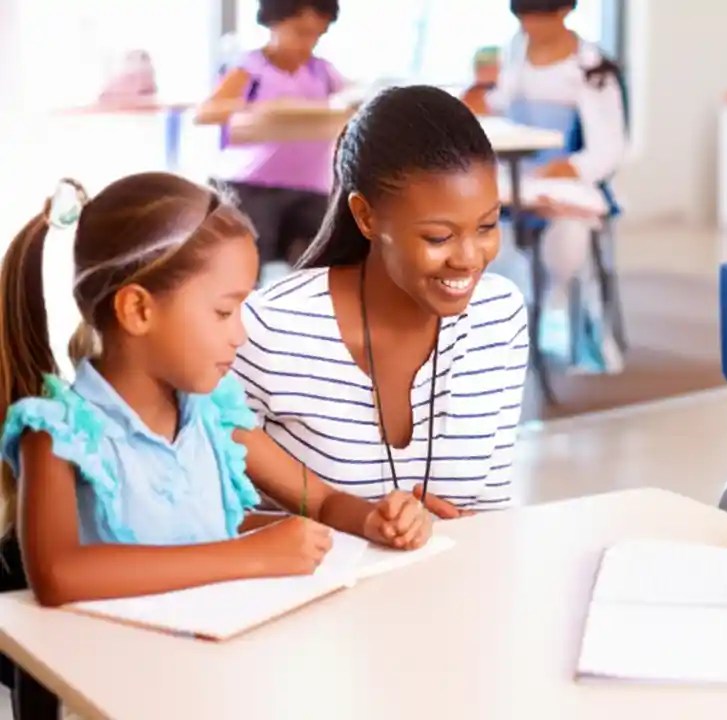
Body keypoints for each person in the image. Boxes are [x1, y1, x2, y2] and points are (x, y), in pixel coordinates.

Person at [0, 173, 431, 609]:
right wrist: (249, 555)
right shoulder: (58, 433)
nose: (239, 334)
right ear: (138, 310)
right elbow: (58, 575)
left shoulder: (214, 413)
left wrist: (373, 518)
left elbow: (320, 501)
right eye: (223, 311)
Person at [233, 86, 528, 515]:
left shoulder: (499, 317)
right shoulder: (268, 329)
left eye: (486, 227)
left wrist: (459, 531)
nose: (468, 259)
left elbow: (491, 511)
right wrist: (346, 527)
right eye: (439, 237)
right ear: (366, 217)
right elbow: (212, 519)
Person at [465, 0, 627, 373]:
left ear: (564, 11)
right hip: (516, 176)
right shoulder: (515, 52)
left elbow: (610, 146)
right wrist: (481, 101)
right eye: (524, 17)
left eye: (539, 16)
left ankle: (558, 316)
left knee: (568, 231)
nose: (531, 26)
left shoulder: (592, 69)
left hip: (567, 177)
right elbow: (503, 103)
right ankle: (495, 325)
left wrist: (571, 167)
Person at [196, 0, 344, 275]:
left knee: (315, 266)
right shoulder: (251, 68)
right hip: (251, 187)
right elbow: (205, 113)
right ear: (275, 23)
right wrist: (258, 110)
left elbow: (350, 107)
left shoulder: (323, 72)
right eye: (300, 32)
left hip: (309, 189)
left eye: (317, 34)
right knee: (245, 265)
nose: (308, 42)